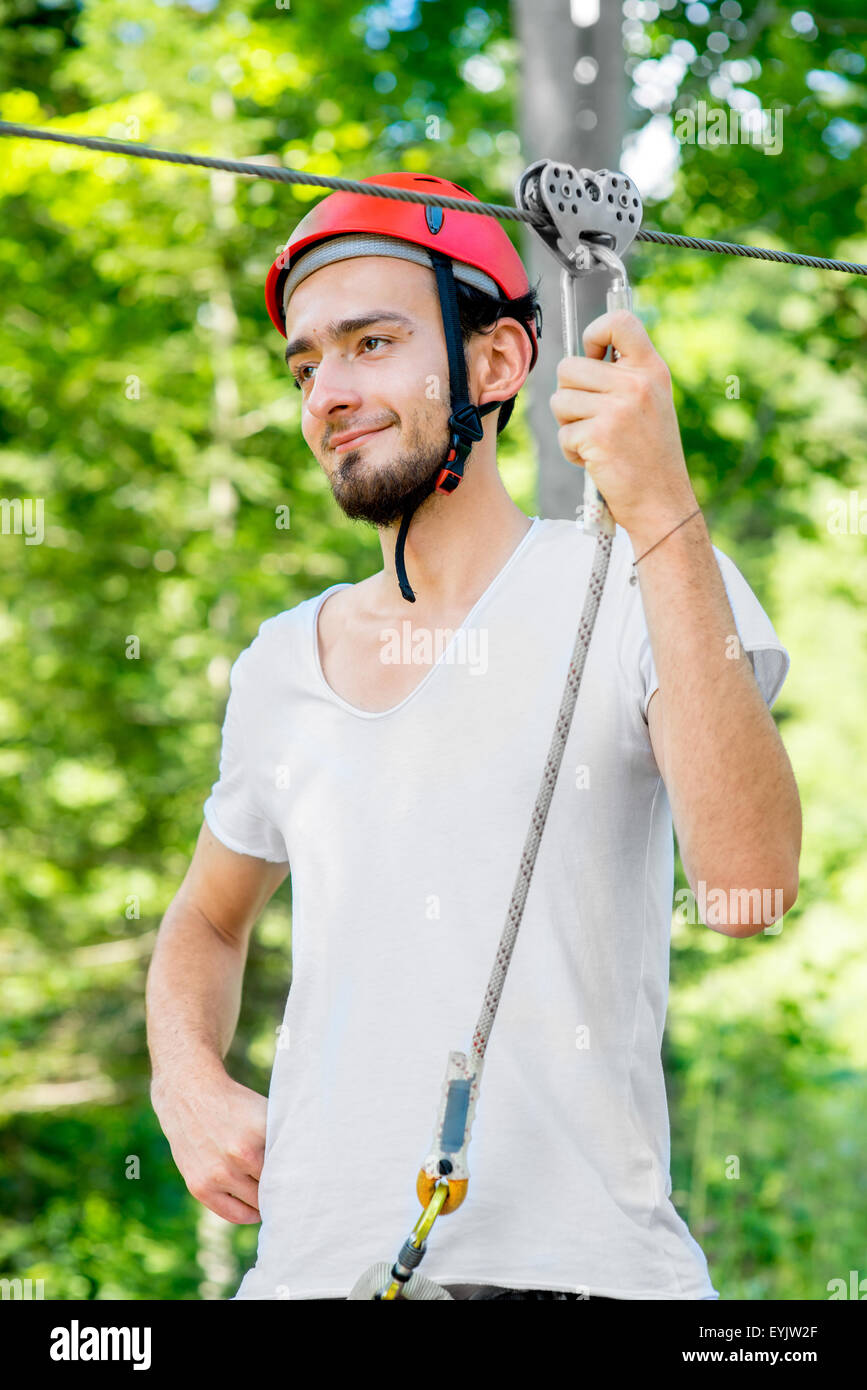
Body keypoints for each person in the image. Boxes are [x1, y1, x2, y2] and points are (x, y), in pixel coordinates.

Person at [146, 173, 802, 1301]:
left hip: (592, 1280)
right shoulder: (277, 663)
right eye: (307, 365)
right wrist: (185, 1079)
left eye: (371, 343)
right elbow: (207, 918)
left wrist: (663, 505)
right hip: (308, 1280)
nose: (327, 392)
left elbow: (750, 885)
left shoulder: (643, 577)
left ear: (496, 365)